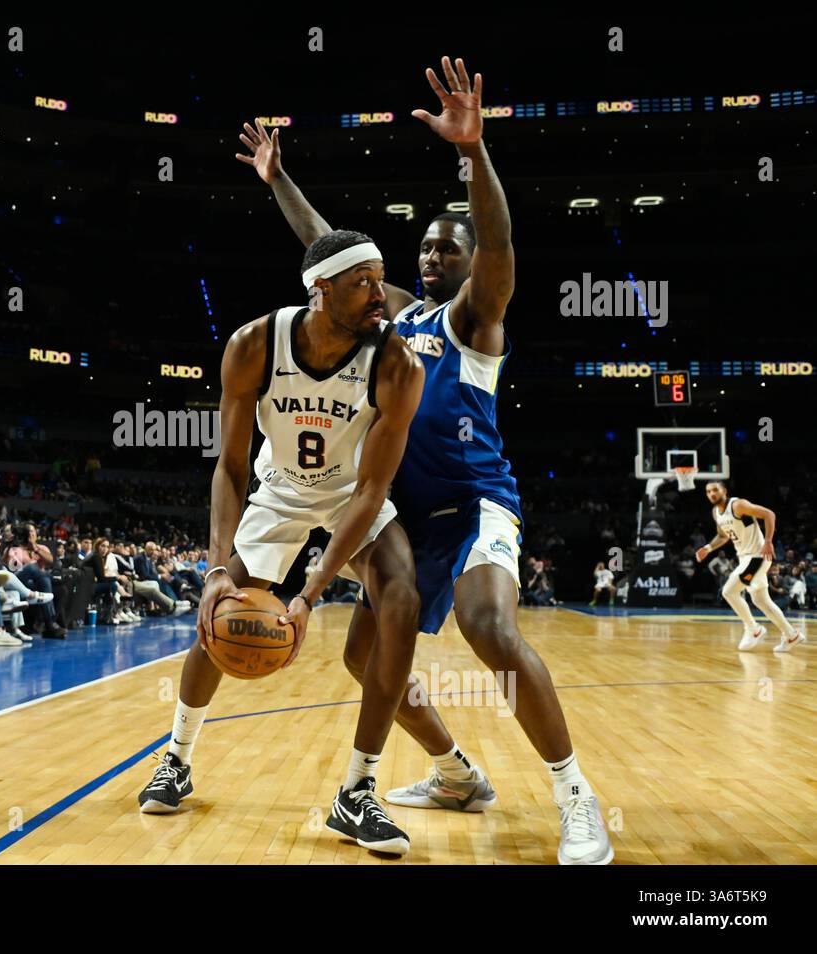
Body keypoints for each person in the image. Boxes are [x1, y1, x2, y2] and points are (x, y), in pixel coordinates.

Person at [238, 57, 613, 864]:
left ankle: (576, 797)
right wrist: (278, 178)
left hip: (475, 502)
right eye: (426, 249)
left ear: (472, 266)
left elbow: (502, 239)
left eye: (448, 249)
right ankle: (453, 772)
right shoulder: (389, 316)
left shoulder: (475, 321)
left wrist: (472, 154)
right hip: (402, 515)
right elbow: (323, 249)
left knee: (489, 628)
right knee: (360, 656)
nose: (432, 258)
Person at [136, 227, 425, 859]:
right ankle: (177, 759)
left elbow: (374, 490)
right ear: (321, 289)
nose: (383, 295)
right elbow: (231, 468)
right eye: (364, 283)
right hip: (280, 491)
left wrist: (313, 592)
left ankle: (358, 789)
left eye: (382, 279)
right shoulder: (253, 345)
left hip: (352, 499)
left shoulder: (398, 363)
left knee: (402, 598)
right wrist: (216, 570)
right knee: (221, 615)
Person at [696, 481, 806, 653]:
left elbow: (769, 514)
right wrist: (708, 548)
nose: (712, 494)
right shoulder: (716, 512)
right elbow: (722, 536)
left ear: (724, 491)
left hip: (757, 556)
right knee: (760, 600)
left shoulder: (738, 505)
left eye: (715, 490)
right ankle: (791, 635)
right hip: (745, 559)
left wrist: (768, 541)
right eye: (708, 491)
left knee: (729, 591)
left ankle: (753, 629)